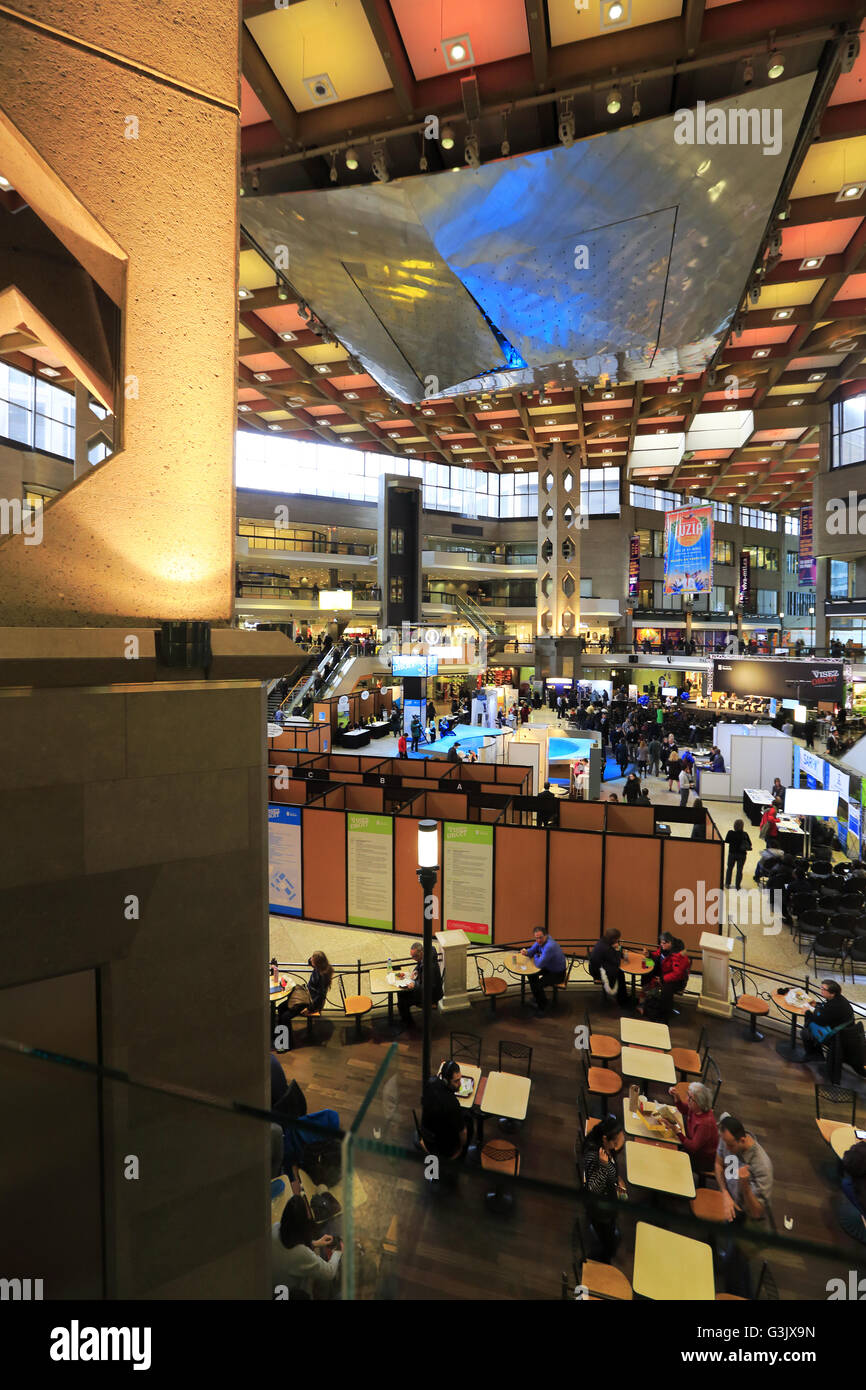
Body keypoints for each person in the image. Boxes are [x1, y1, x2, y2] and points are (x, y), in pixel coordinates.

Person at [272, 1194, 342, 1298]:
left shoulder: (275, 1227)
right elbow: (329, 1272)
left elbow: (291, 1243)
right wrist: (338, 1251)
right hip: (288, 1292)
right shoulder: (301, 1254)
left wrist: (316, 1243)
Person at [582, 1114, 627, 1263]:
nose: (619, 1144)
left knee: (609, 1227)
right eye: (616, 1141)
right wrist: (604, 1167)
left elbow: (611, 1165)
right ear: (605, 1139)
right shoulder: (593, 1156)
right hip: (600, 1208)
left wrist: (617, 1180)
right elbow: (593, 1187)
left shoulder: (607, 1149)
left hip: (610, 1198)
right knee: (606, 1239)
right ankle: (604, 1257)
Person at [715, 1115, 773, 1224]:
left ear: (742, 1140)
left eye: (730, 1146)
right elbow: (718, 1164)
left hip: (745, 1215)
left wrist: (745, 1185)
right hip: (726, 1198)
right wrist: (725, 1193)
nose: (726, 1148)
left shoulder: (762, 1166)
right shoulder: (727, 1139)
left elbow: (757, 1212)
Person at [420, 1060, 474, 1160]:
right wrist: (461, 1147)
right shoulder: (452, 1104)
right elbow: (463, 1133)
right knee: (469, 1121)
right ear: (446, 1080)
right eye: (456, 1081)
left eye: (460, 1079)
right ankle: (461, 1157)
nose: (460, 1084)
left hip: (427, 1136)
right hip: (443, 1149)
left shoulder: (430, 1082)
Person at [667, 1081, 719, 1173]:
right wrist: (677, 1097)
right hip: (691, 1144)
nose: (687, 1099)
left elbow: (693, 1147)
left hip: (701, 1159)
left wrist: (678, 1132)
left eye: (690, 1098)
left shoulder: (705, 1124)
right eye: (688, 1095)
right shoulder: (695, 1109)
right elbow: (684, 1110)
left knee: (671, 1157)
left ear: (699, 1103)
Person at [639, 933, 690, 1020]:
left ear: (669, 943)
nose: (661, 945)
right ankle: (646, 1000)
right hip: (663, 971)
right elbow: (657, 954)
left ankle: (663, 1015)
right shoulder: (664, 949)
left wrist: (662, 979)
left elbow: (677, 974)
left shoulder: (678, 955)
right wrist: (649, 955)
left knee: (666, 991)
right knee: (645, 971)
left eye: (663, 943)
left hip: (676, 980)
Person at [279, 951, 334, 1025]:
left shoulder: (322, 976)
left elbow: (320, 997)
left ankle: (286, 1036)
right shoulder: (319, 967)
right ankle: (280, 1034)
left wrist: (309, 1009)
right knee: (280, 1007)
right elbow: (309, 962)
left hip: (311, 1002)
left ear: (317, 962)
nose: (310, 959)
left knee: (285, 1017)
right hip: (307, 995)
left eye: (312, 958)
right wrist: (313, 959)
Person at [397, 941, 443, 1028]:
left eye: (415, 956)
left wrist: (415, 985)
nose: (413, 959)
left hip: (430, 996)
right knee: (401, 993)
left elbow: (428, 987)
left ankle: (409, 1024)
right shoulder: (426, 957)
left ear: (421, 953)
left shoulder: (429, 967)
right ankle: (406, 1020)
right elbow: (419, 966)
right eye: (412, 956)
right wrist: (416, 970)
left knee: (403, 1000)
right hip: (425, 990)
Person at [523, 925, 567, 1015]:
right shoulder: (541, 941)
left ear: (546, 935)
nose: (538, 940)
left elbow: (539, 964)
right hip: (550, 968)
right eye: (536, 938)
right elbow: (532, 950)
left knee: (537, 985)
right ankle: (538, 998)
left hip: (558, 973)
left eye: (540, 938)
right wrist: (526, 952)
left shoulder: (549, 946)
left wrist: (535, 956)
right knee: (531, 975)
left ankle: (543, 1007)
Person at [802, 979, 854, 1053]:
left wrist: (807, 1012)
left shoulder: (835, 1006)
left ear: (832, 993)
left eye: (823, 989)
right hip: (844, 1030)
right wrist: (816, 1004)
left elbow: (820, 1021)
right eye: (821, 987)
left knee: (805, 1033)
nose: (821, 990)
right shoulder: (838, 998)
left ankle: (814, 1056)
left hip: (837, 1036)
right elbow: (826, 1009)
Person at [588, 928, 629, 1006]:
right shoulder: (606, 948)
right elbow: (617, 962)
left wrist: (616, 950)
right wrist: (617, 950)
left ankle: (623, 998)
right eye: (618, 939)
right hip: (598, 972)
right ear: (614, 939)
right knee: (620, 973)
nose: (619, 940)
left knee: (619, 973)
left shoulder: (602, 942)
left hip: (594, 968)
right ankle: (623, 1000)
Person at [724, 819, 752, 889]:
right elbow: (750, 844)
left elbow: (726, 840)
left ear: (734, 825)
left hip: (732, 853)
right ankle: (737, 885)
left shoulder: (730, 833)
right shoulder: (745, 834)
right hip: (742, 855)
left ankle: (727, 884)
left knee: (729, 868)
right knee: (739, 870)